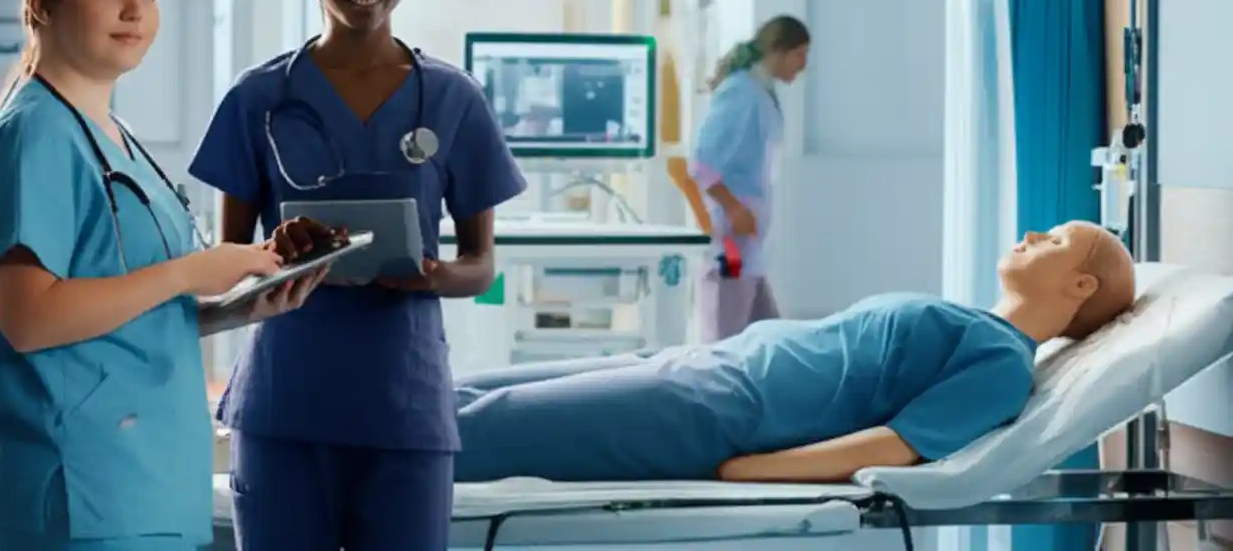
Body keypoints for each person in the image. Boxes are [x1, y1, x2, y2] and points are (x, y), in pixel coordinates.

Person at [0, 0, 334, 551]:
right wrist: (194, 270)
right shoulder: (37, 134)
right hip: (83, 487)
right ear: (41, 5)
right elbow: (29, 318)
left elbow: (128, 305)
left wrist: (237, 302)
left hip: (146, 481)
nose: (135, 11)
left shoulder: (114, 136)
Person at [188, 0, 527, 550]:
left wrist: (431, 274)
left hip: (405, 406)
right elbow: (223, 272)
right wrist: (272, 253)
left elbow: (481, 267)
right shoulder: (257, 99)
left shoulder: (453, 99)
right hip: (285, 403)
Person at [454, 220, 1135, 484]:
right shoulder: (973, 322)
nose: (1029, 233)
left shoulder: (1004, 368)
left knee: (486, 427)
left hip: (722, 412)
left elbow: (893, 447)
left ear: (1079, 285)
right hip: (703, 367)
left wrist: (750, 470)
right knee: (471, 393)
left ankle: (346, 484)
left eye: (1053, 241)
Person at [690, 15, 811, 343]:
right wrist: (734, 209)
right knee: (724, 347)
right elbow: (702, 163)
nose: (803, 65)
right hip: (730, 247)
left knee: (766, 342)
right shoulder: (741, 93)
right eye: (800, 55)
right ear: (778, 50)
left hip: (747, 249)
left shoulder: (760, 94)